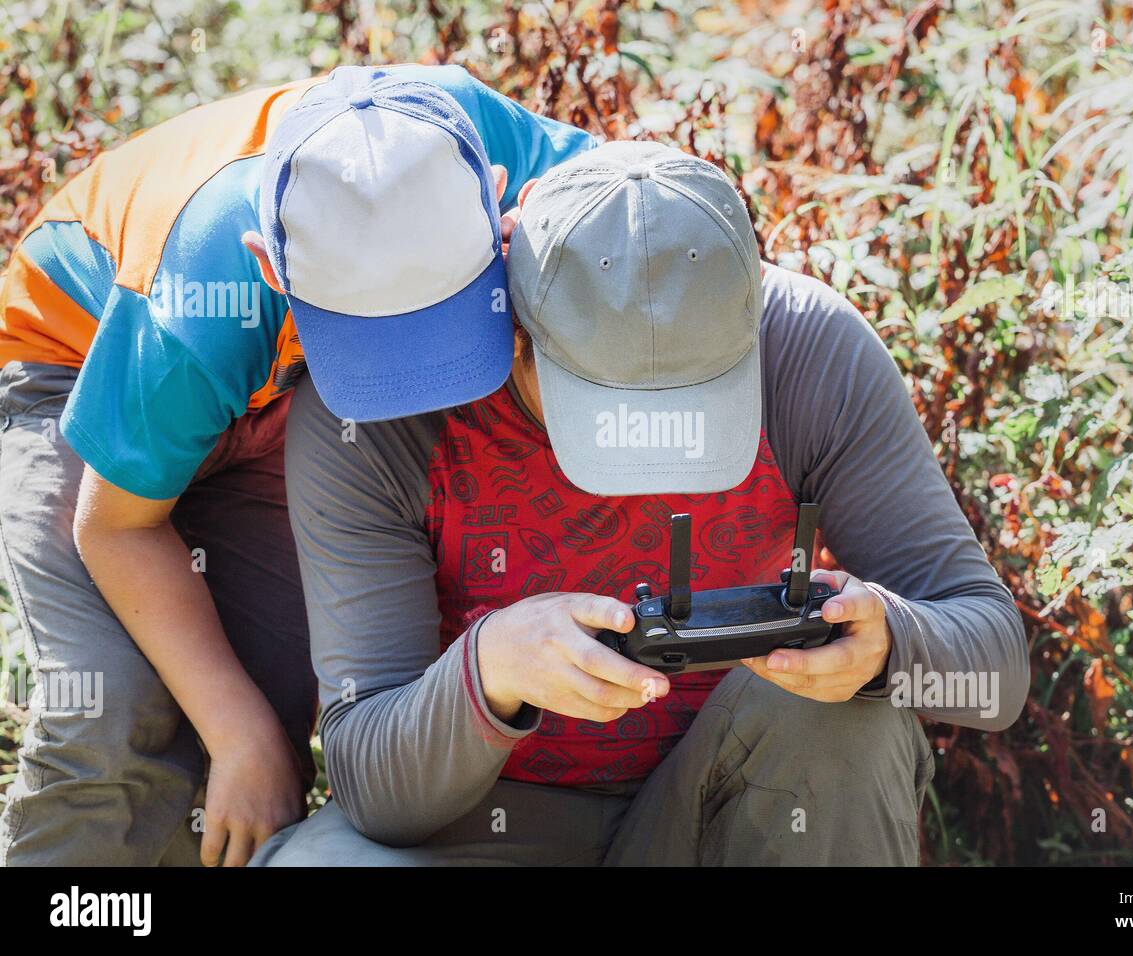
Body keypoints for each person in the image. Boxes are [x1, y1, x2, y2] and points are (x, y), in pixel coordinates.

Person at [253, 141, 1029, 866]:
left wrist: (892, 647)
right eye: (607, 407)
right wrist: (489, 670)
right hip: (483, 822)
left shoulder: (807, 351)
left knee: (849, 723)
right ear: (514, 331)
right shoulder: (387, 405)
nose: (652, 447)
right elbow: (374, 789)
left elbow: (996, 675)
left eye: (695, 400)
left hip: (726, 798)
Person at [0, 64, 594, 866]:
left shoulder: (535, 172)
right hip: (78, 369)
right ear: (271, 265)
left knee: (269, 702)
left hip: (275, 393)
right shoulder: (202, 292)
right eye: (376, 343)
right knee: (112, 710)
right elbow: (115, 529)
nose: (411, 378)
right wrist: (236, 734)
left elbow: (672, 237)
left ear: (495, 200)